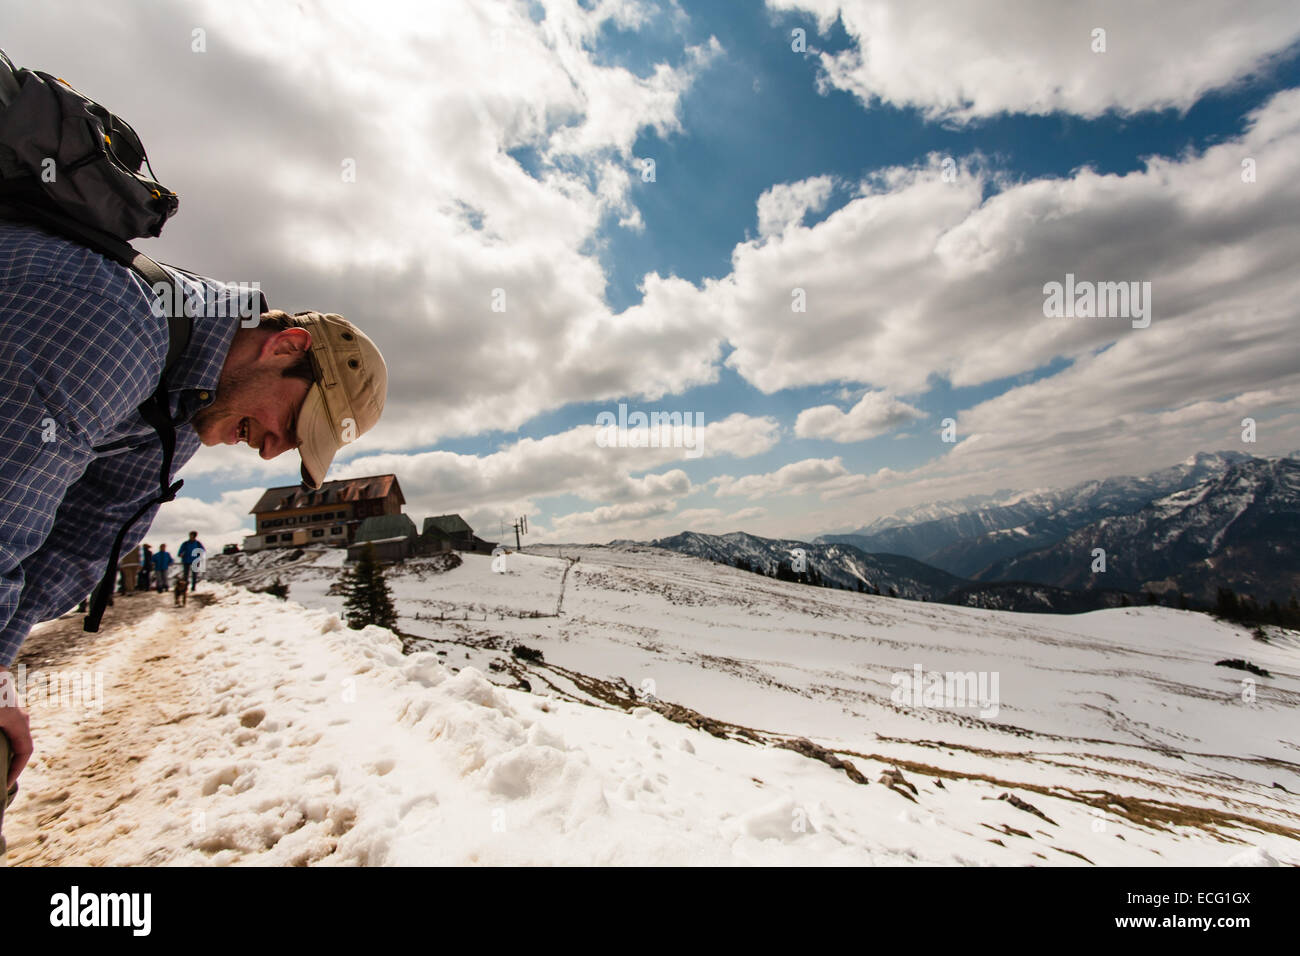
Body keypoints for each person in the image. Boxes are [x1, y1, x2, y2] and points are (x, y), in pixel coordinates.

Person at [0, 218, 389, 829]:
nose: (268, 452)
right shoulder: (116, 325)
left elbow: (82, 543)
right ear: (285, 346)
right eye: (293, 424)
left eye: (292, 448)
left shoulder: (181, 408)